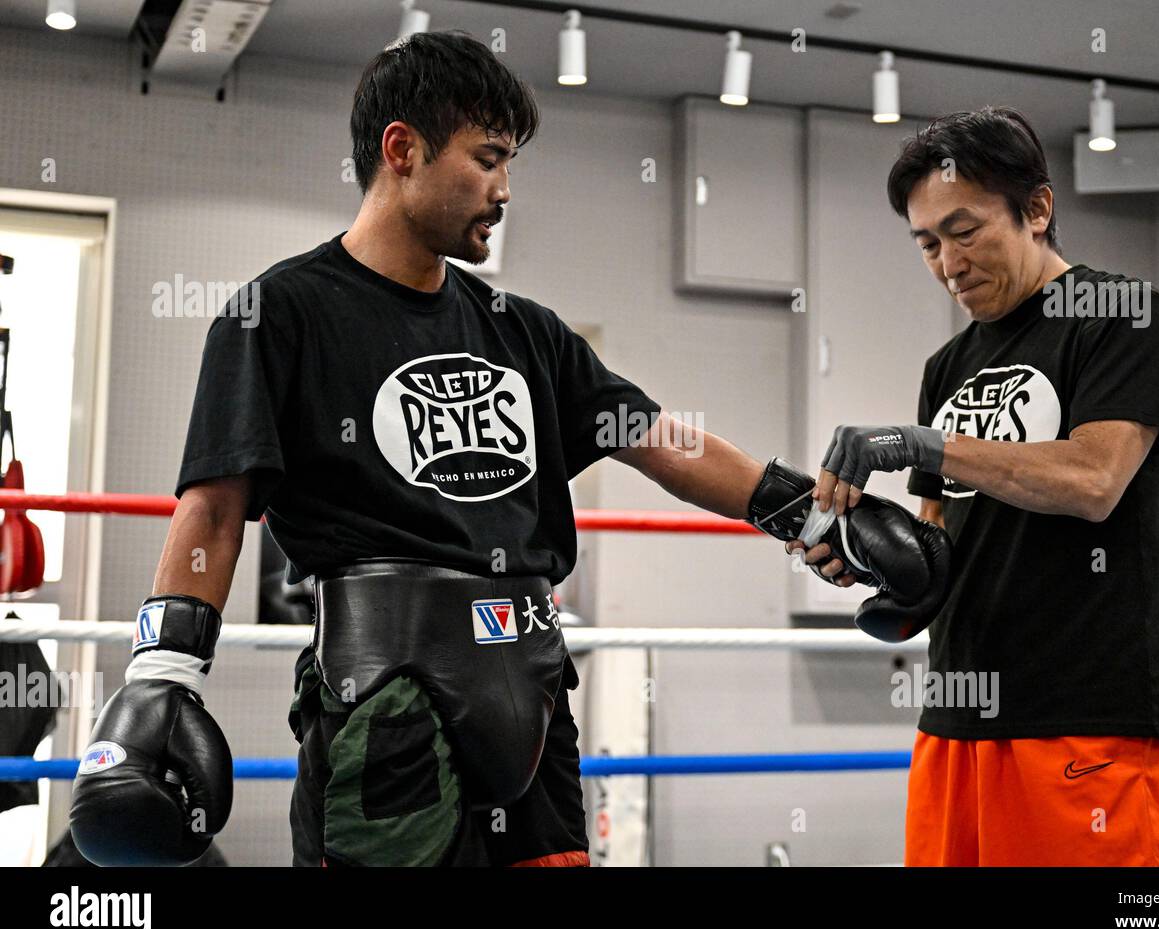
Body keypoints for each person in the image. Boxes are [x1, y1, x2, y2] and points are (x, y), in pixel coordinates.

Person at [66, 30, 949, 868]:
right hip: (384, 701)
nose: (504, 187)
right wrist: (165, 674)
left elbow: (659, 439)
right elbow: (214, 508)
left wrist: (809, 512)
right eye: (486, 159)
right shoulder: (282, 312)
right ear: (402, 149)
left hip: (529, 694)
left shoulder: (521, 330)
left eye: (508, 164)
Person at [793, 107, 1159, 866]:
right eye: (928, 243)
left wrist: (926, 443)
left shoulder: (1119, 316)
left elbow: (1094, 479)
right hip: (956, 713)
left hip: (1081, 713)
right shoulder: (946, 365)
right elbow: (940, 536)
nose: (948, 263)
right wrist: (876, 562)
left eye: (965, 231)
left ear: (1037, 209)